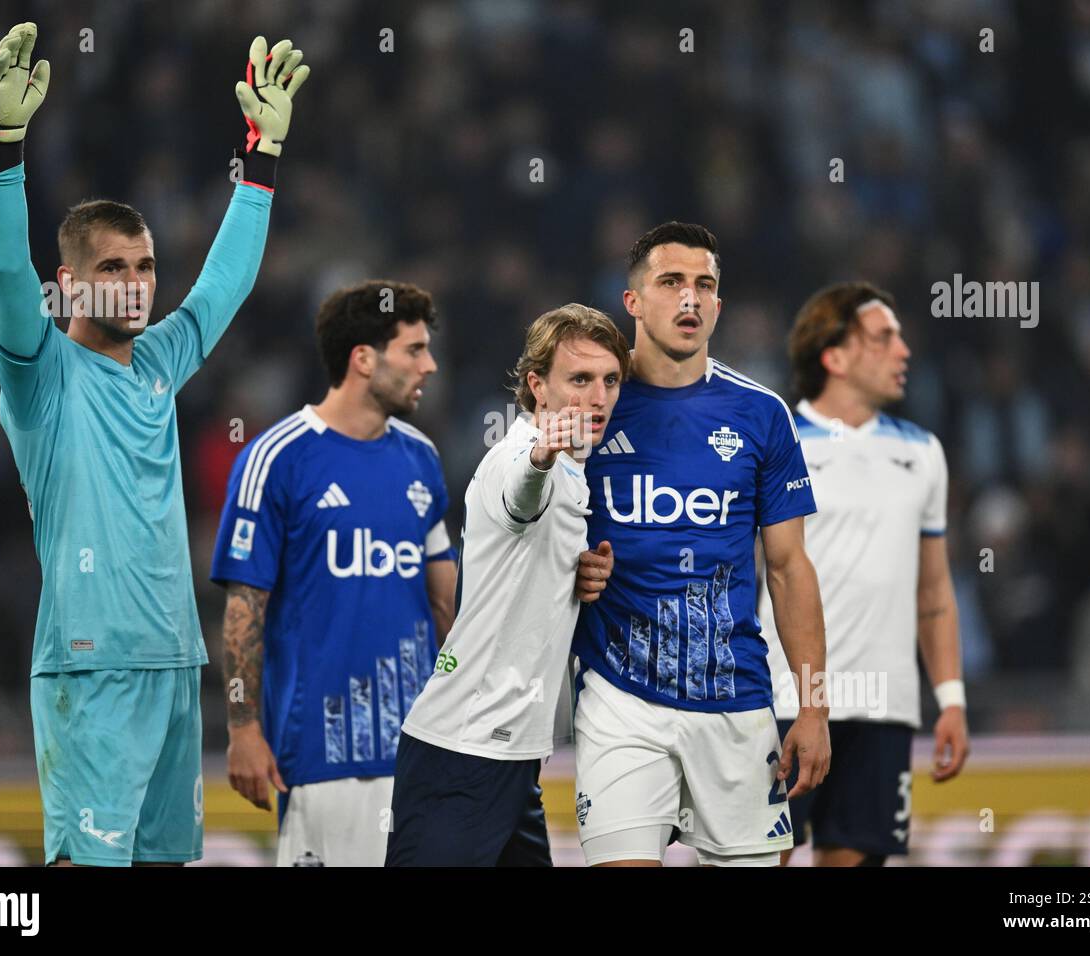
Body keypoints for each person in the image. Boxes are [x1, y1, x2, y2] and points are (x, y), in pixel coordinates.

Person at [0, 22, 308, 865]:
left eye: (144, 266)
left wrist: (261, 156)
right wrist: (5, 149)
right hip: (89, 670)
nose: (135, 284)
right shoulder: (41, 372)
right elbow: (6, 273)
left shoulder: (160, 359)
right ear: (70, 284)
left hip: (172, 660)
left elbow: (225, 283)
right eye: (114, 268)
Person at [570, 222, 831, 867]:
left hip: (736, 702)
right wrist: (568, 571)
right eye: (671, 283)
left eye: (704, 286)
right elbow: (526, 533)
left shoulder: (762, 414)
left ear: (718, 305)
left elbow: (790, 568)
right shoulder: (589, 406)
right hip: (618, 696)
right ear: (632, 302)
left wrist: (815, 708)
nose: (689, 299)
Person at [211, 281, 457, 866]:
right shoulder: (277, 458)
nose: (430, 365)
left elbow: (445, 602)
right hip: (323, 755)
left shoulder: (421, 456)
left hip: (420, 754)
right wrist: (243, 729)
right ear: (364, 359)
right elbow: (246, 605)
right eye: (414, 350)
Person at [387, 304, 630, 866]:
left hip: (512, 754)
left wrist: (579, 571)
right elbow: (522, 496)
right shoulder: (516, 456)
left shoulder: (573, 468)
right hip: (463, 748)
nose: (598, 397)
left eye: (610, 380)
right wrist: (542, 457)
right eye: (579, 380)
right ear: (536, 385)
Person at [762, 282, 970, 866]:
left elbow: (932, 592)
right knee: (752, 858)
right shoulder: (774, 442)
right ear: (835, 355)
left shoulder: (922, 452)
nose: (904, 351)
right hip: (782, 698)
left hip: (882, 706)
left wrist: (950, 699)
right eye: (884, 338)